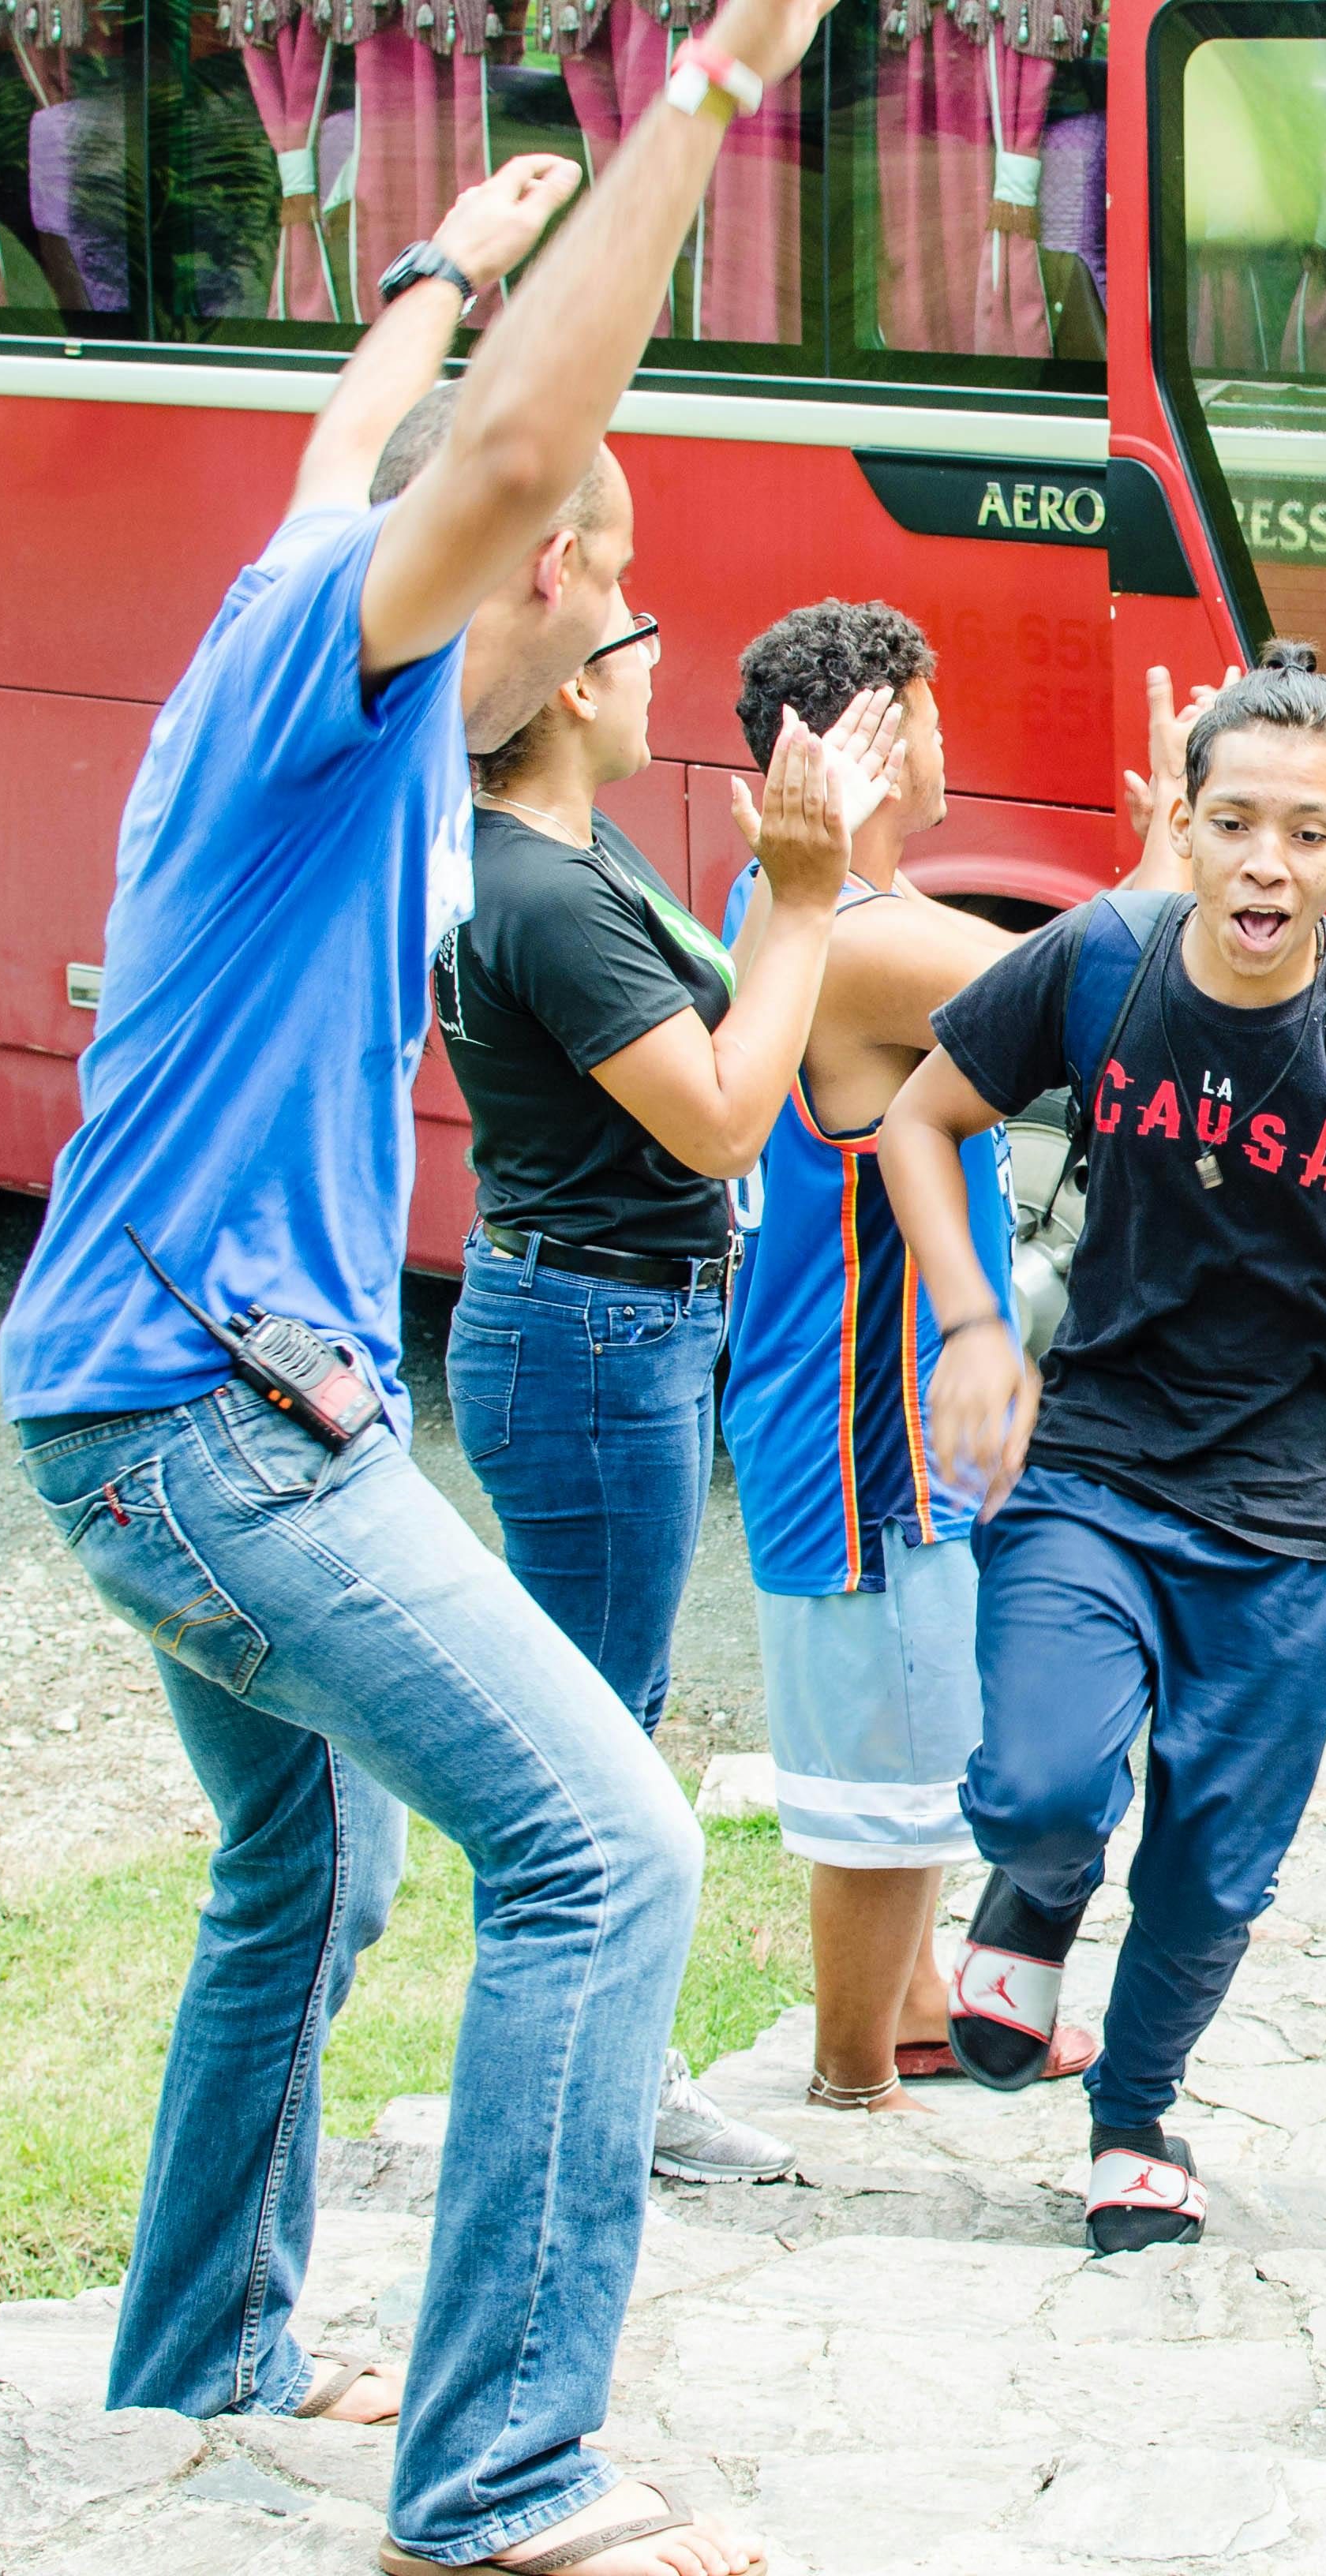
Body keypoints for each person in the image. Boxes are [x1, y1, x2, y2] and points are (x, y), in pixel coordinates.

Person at [0, 0, 838, 2559]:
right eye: (592, 563)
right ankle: (495, 2473)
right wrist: (707, 98)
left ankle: (201, 2362)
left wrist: (438, 267)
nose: (594, 593)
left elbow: (356, 437)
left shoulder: (284, 605)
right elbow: (458, 464)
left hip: (149, 1389)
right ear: (539, 587)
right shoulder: (335, 674)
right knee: (609, 1851)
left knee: (315, 1860)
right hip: (208, 1416)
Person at [875, 642, 1326, 2256]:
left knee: (1213, 1867)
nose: (1268, 860)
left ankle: (1134, 2119)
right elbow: (922, 1118)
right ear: (1178, 829)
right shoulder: (1096, 963)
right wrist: (977, 1324)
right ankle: (1038, 1897)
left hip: (1306, 1517)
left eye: (1306, 831)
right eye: (1236, 822)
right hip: (1098, 1469)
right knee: (1041, 1787)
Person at [431, 531, 906, 2192]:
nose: (655, 657)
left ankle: (599, 2069)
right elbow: (717, 1117)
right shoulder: (547, 892)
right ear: (569, 681)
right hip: (592, 1336)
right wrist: (796, 898)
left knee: (599, 1736)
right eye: (633, 631)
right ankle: (583, 2098)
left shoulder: (558, 849)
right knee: (598, 1751)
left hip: (599, 1324)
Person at [714, 597, 1102, 2114]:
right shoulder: (863, 941)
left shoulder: (800, 902)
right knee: (881, 1776)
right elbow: (1075, 990)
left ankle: (921, 2004)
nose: (954, 737)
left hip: (857, 1406)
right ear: (890, 730)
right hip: (853, 1418)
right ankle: (852, 2074)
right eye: (932, 710)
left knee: (925, 1715)